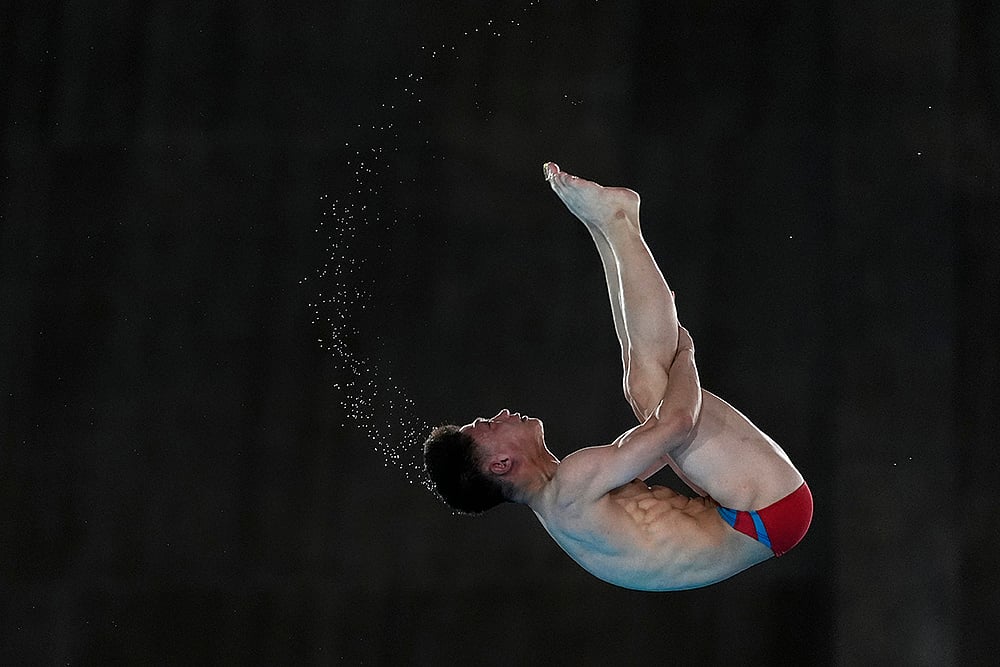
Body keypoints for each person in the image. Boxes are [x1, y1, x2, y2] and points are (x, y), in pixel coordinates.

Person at [422, 163, 811, 591]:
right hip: (766, 511)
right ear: (501, 464)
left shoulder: (564, 501)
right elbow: (678, 423)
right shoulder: (571, 487)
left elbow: (662, 441)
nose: (499, 413)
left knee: (642, 384)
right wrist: (685, 350)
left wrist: (656, 324)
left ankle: (607, 227)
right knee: (651, 385)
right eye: (490, 426)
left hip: (753, 517)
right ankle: (617, 223)